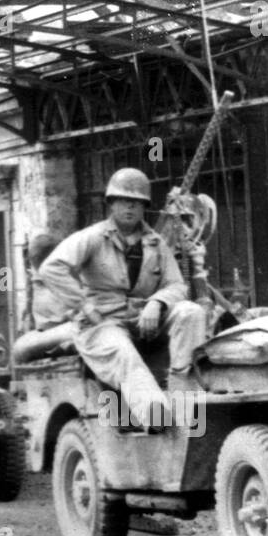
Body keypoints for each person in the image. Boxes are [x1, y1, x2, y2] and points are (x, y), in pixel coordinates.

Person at [39, 167, 208, 425]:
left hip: (143, 320)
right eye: (123, 201)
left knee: (191, 311)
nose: (130, 208)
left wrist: (157, 302)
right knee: (124, 355)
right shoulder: (92, 237)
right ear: (111, 204)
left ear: (144, 207)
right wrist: (83, 306)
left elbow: (177, 286)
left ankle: (186, 398)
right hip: (101, 324)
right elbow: (52, 268)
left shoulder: (155, 243)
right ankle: (157, 417)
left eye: (137, 203)